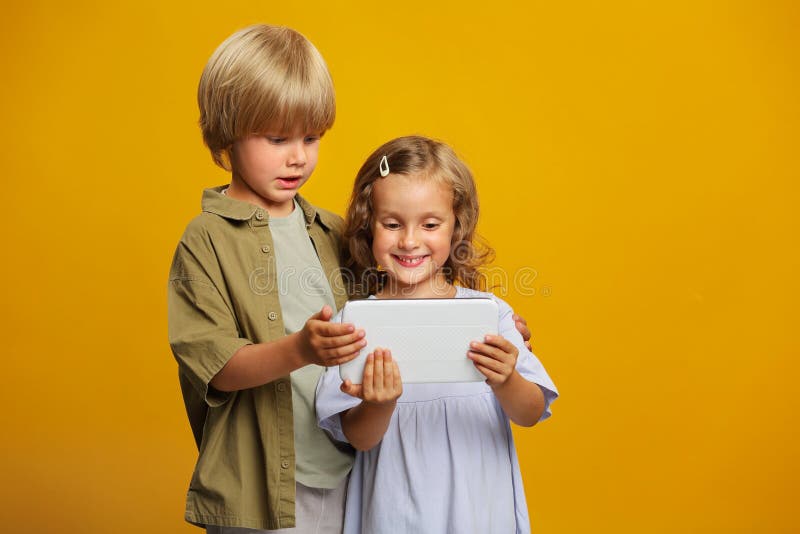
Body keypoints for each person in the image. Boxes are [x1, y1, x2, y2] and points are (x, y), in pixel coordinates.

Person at [167, 24, 366, 532]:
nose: (298, 156)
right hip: (259, 486)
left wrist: (482, 323)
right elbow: (217, 365)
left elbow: (390, 314)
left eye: (311, 137)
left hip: (346, 469)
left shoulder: (333, 232)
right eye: (277, 138)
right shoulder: (206, 240)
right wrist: (300, 349)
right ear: (227, 131)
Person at [315, 136, 559, 534]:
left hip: (480, 514)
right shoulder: (355, 325)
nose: (410, 241)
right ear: (368, 225)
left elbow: (530, 412)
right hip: (393, 514)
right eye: (392, 224)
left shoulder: (490, 316)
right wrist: (380, 403)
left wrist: (506, 379)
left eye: (430, 224)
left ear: (456, 225)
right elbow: (357, 437)